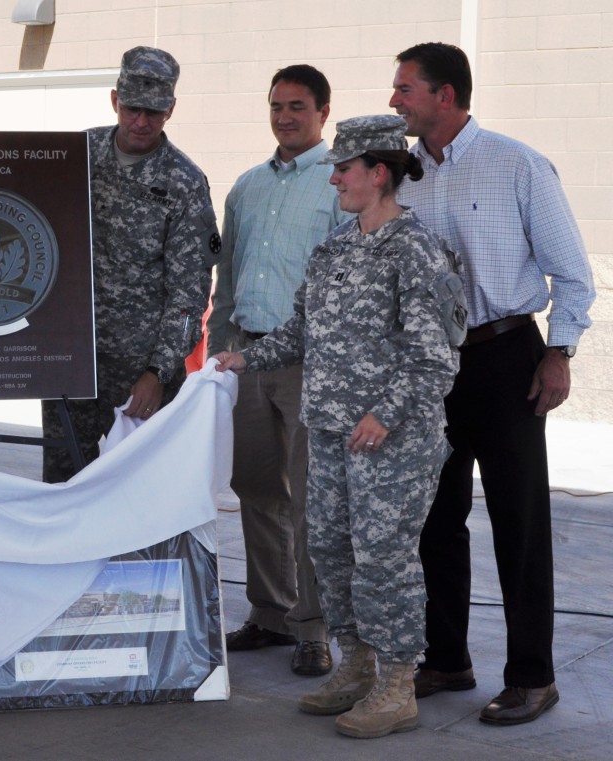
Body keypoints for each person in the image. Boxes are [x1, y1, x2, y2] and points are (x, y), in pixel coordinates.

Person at [214, 115, 464, 738]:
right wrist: (247, 355)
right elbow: (302, 331)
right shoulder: (335, 248)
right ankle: (355, 667)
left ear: (378, 173)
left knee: (384, 559)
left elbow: (435, 355)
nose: (333, 180)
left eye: (342, 169)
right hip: (328, 430)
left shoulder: (416, 249)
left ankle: (398, 683)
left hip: (391, 440)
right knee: (331, 551)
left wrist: (385, 414)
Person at [389, 42, 596, 726]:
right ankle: (448, 658)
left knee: (519, 521)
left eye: (406, 89)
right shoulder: (406, 173)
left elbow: (573, 274)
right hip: (430, 365)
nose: (395, 101)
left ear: (444, 96)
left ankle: (533, 676)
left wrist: (559, 353)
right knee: (435, 518)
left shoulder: (518, 164)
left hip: (506, 359)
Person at [207, 64, 350, 677]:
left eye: (297, 106)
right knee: (257, 493)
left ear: (323, 111)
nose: (285, 117)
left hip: (309, 364)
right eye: (276, 106)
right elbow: (229, 278)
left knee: (311, 501)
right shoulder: (246, 187)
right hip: (246, 358)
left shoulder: (339, 183)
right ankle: (269, 613)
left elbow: (349, 283)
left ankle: (313, 629)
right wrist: (218, 354)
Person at [41, 46, 220, 482]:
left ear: (171, 110)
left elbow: (189, 293)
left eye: (154, 112)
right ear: (114, 100)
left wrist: (158, 371)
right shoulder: (71, 157)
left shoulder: (183, 181)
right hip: (70, 357)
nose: (142, 122)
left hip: (139, 369)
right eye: (133, 108)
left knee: (143, 491)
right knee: (64, 484)